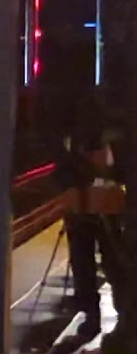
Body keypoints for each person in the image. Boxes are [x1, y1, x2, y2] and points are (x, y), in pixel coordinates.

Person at [52, 90, 126, 337]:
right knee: (103, 261)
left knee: (95, 261)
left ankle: (98, 317)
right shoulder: (95, 136)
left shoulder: (79, 139)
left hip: (92, 206)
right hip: (89, 206)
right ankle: (109, 316)